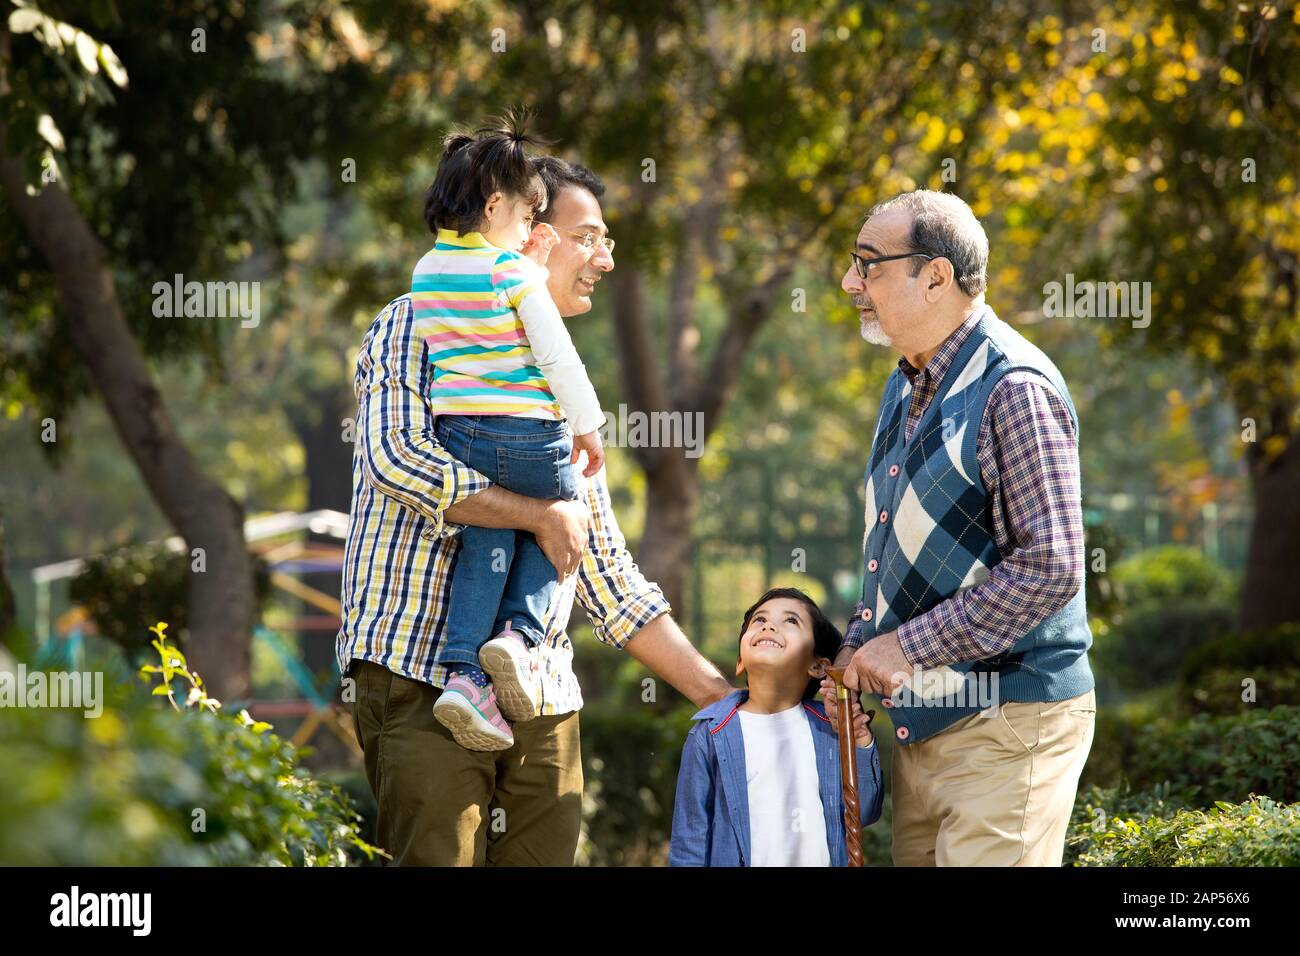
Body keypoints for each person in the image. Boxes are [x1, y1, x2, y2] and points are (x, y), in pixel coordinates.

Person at [338, 154, 733, 866]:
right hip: (420, 675)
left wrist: (723, 696)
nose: (605, 259)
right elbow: (396, 459)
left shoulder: (555, 376)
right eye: (589, 237)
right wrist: (537, 515)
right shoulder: (415, 323)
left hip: (542, 700)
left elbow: (605, 572)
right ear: (527, 233)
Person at [825, 189, 1096, 866]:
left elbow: (1053, 566)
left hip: (1010, 722)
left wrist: (904, 649)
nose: (850, 282)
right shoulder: (907, 381)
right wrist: (861, 648)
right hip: (930, 721)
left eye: (868, 264)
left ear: (936, 277)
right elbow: (898, 540)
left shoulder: (1015, 386)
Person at [411, 113, 607, 751]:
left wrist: (522, 257)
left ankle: (465, 676)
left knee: (488, 537)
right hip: (530, 435)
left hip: (463, 436)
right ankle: (518, 639)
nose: (530, 234)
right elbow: (557, 359)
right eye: (528, 220)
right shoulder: (515, 276)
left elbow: (473, 334)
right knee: (557, 523)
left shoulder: (426, 274)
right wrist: (588, 426)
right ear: (496, 206)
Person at [669, 587, 883, 866]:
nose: (768, 625)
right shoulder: (710, 734)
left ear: (819, 667)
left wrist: (859, 742)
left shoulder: (830, 729)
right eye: (759, 620)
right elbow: (690, 841)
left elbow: (863, 812)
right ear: (740, 661)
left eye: (791, 621)